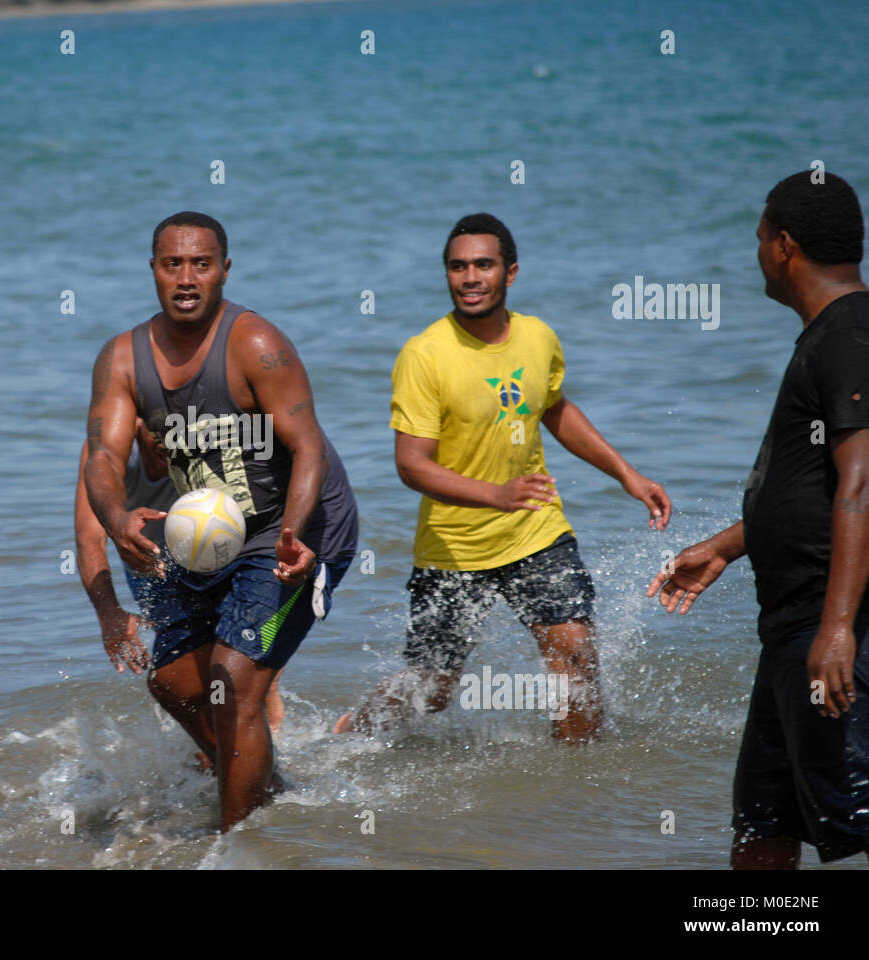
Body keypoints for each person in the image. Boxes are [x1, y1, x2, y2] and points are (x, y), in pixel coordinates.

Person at [335, 213, 670, 741]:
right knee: (433, 689)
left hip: (536, 528)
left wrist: (626, 475)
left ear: (509, 273)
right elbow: (411, 464)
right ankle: (349, 733)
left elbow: (554, 409)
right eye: (458, 266)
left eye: (483, 265)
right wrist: (495, 495)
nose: (470, 277)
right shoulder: (424, 355)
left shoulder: (538, 337)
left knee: (574, 655)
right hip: (454, 545)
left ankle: (573, 791)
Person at [83, 211, 358, 830]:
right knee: (177, 682)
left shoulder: (256, 344)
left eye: (201, 264)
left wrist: (291, 536)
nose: (186, 278)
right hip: (209, 535)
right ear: (153, 269)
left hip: (298, 528)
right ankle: (264, 786)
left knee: (234, 681)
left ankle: (236, 842)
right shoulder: (123, 359)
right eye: (172, 263)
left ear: (224, 271)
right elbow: (102, 455)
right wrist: (117, 516)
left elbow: (308, 446)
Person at [648, 172, 869, 868]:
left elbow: (863, 481)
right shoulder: (830, 335)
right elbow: (813, 486)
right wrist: (727, 547)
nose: (756, 255)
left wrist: (837, 628)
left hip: (828, 625)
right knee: (762, 828)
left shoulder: (849, 335)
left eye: (757, 240)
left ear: (783, 247)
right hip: (792, 631)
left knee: (857, 814)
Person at [74, 421, 285, 733]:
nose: (170, 444)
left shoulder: (206, 438)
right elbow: (89, 537)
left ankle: (273, 745)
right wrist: (109, 612)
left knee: (248, 673)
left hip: (222, 560)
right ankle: (211, 764)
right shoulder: (111, 450)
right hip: (153, 571)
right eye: (158, 434)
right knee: (187, 679)